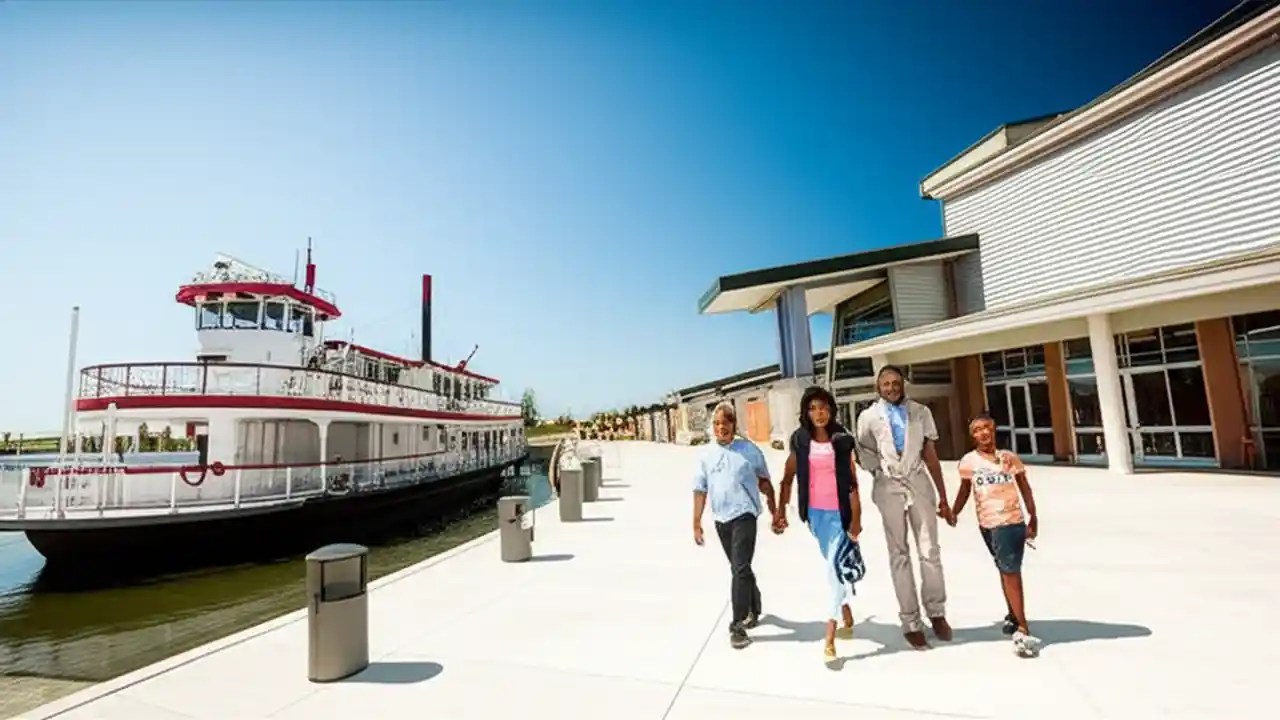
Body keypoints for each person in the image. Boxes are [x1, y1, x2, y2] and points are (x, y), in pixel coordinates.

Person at [855, 365, 954, 650]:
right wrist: (879, 473)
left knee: (929, 551)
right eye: (885, 384)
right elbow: (864, 453)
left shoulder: (920, 412)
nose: (890, 388)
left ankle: (936, 612)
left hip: (918, 482)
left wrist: (943, 497)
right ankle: (910, 621)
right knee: (899, 553)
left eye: (895, 382)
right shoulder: (868, 417)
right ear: (878, 387)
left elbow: (931, 455)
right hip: (889, 485)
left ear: (903, 384)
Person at [775, 385, 866, 662]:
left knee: (831, 572)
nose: (819, 413)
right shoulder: (801, 441)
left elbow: (852, 483)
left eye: (823, 407)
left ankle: (830, 635)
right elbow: (788, 477)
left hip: (840, 514)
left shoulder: (841, 440)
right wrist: (781, 511)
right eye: (813, 408)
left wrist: (857, 519)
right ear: (806, 412)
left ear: (831, 410)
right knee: (835, 565)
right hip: (815, 515)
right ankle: (846, 608)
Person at [952, 412, 1042, 658]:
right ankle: (1013, 615)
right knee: (1004, 569)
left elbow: (1024, 487)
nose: (983, 433)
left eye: (987, 428)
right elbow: (964, 491)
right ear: (972, 436)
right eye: (978, 430)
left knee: (1011, 572)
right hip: (987, 525)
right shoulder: (968, 462)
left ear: (994, 430)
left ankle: (1022, 626)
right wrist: (953, 512)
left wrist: (1033, 516)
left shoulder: (1008, 458)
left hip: (1011, 522)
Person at [692, 401, 778, 649]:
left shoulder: (748, 450)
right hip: (721, 519)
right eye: (717, 423)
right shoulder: (706, 455)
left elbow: (765, 482)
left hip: (745, 515)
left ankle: (737, 625)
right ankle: (755, 604)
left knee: (739, 567)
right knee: (740, 567)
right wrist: (696, 522)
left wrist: (775, 511)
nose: (721, 427)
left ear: (734, 424)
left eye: (726, 422)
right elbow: (700, 489)